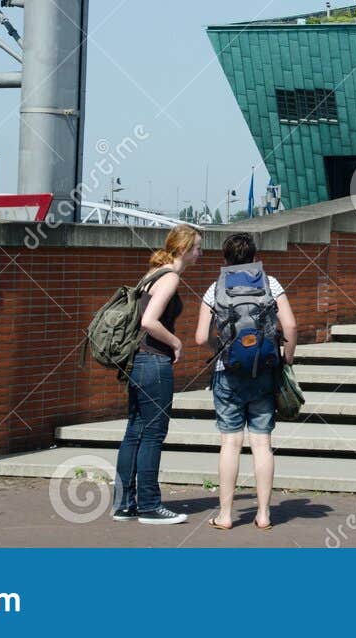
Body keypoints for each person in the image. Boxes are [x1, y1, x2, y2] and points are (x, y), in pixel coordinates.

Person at [195, 232, 298, 531]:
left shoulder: (216, 288)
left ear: (225, 259)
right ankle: (264, 514)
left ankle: (226, 515)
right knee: (262, 444)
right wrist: (287, 359)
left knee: (230, 443)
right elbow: (291, 325)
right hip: (264, 371)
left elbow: (200, 337)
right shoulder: (270, 283)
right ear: (255, 257)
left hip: (228, 373)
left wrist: (222, 349)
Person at [113, 223, 200, 525]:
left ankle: (124, 504)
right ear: (183, 248)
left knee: (135, 430)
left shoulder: (151, 274)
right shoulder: (170, 277)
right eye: (197, 248)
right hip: (154, 362)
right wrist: (175, 342)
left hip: (137, 361)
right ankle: (150, 505)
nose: (200, 254)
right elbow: (149, 321)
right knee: (153, 433)